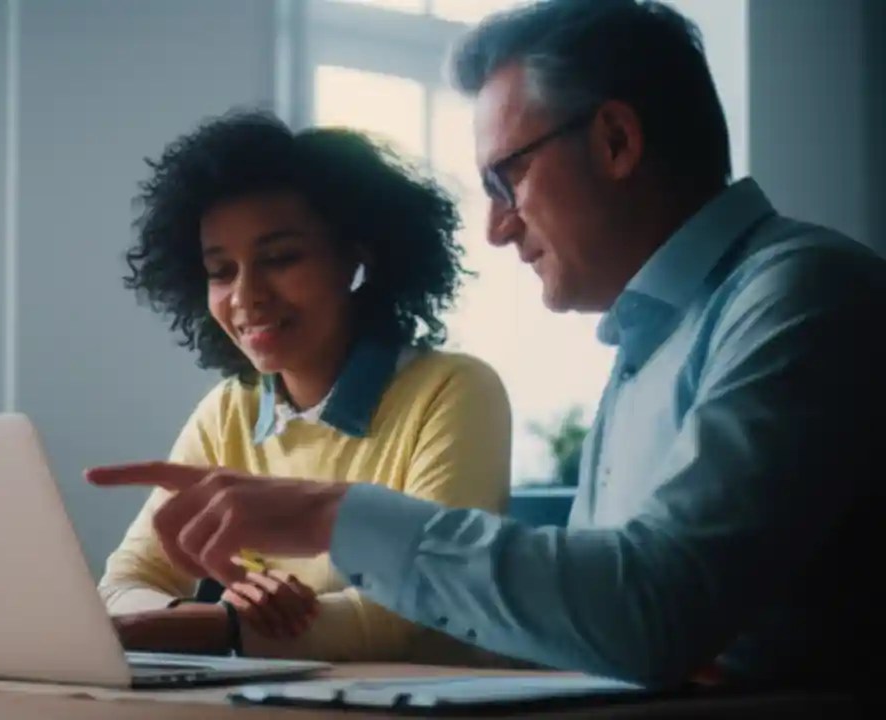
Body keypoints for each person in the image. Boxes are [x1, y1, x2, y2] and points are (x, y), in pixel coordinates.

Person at [88, 0, 886, 688]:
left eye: (507, 179)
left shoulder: (802, 295)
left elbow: (654, 612)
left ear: (614, 140)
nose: (498, 228)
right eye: (220, 269)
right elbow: (613, 625)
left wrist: (333, 517)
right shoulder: (651, 342)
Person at [97, 110, 515, 662]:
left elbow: (417, 607)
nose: (246, 296)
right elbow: (125, 582)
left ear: (356, 259)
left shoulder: (454, 391)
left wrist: (217, 628)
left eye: (279, 259)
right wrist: (184, 620)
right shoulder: (230, 411)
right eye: (221, 271)